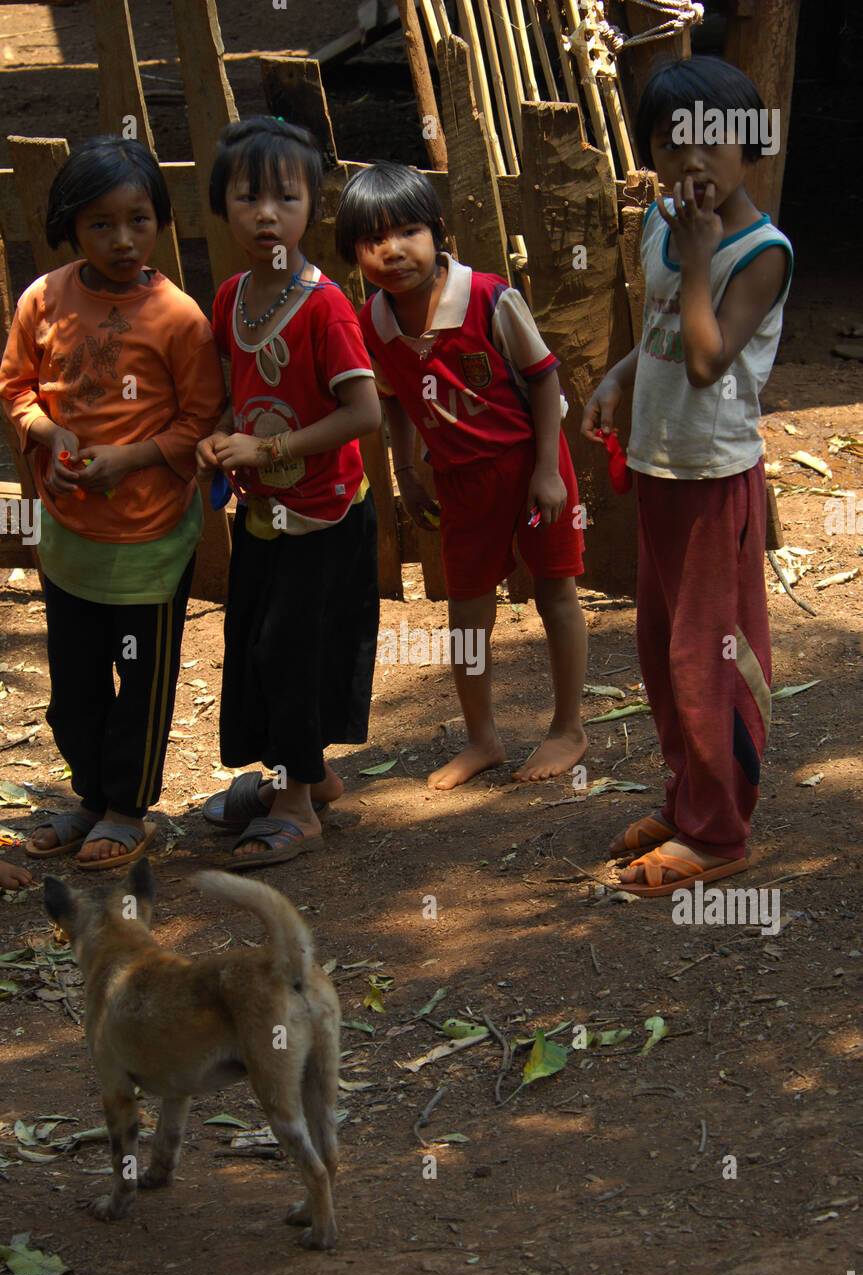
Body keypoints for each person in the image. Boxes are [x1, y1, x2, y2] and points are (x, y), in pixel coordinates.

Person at [581, 56, 793, 897]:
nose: (693, 161)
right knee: (662, 650)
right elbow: (667, 328)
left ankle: (719, 834)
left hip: (712, 476)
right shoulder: (659, 228)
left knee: (709, 657)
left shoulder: (758, 251)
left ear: (749, 149)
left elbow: (708, 364)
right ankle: (686, 799)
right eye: (674, 143)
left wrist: (701, 259)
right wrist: (619, 377)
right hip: (659, 466)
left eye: (715, 141)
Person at [0, 137, 224, 868]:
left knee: (142, 681)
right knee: (74, 684)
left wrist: (130, 456)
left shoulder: (179, 318)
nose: (122, 239)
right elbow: (17, 388)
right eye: (101, 225)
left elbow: (200, 421)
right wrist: (47, 434)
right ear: (71, 229)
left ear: (158, 221)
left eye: (138, 220)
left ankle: (128, 807)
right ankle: (89, 797)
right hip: (70, 536)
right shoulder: (43, 299)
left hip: (151, 539)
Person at [335, 162, 588, 790]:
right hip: (458, 481)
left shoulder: (489, 297)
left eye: (408, 232)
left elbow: (544, 375)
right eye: (373, 240)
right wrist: (406, 472)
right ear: (354, 254)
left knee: (555, 591)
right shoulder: (375, 321)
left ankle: (568, 729)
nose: (393, 251)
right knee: (467, 609)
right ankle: (483, 738)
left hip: (532, 465)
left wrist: (550, 472)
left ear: (438, 232)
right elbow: (392, 400)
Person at [196, 118, 381, 867]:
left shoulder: (324, 306)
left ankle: (297, 806)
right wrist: (219, 435)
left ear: (313, 208)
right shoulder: (232, 297)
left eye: (285, 196)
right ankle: (299, 775)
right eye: (247, 197)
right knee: (255, 646)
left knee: (292, 652)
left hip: (326, 514)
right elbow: (236, 394)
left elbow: (362, 412)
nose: (266, 214)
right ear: (223, 205)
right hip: (263, 512)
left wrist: (266, 446)